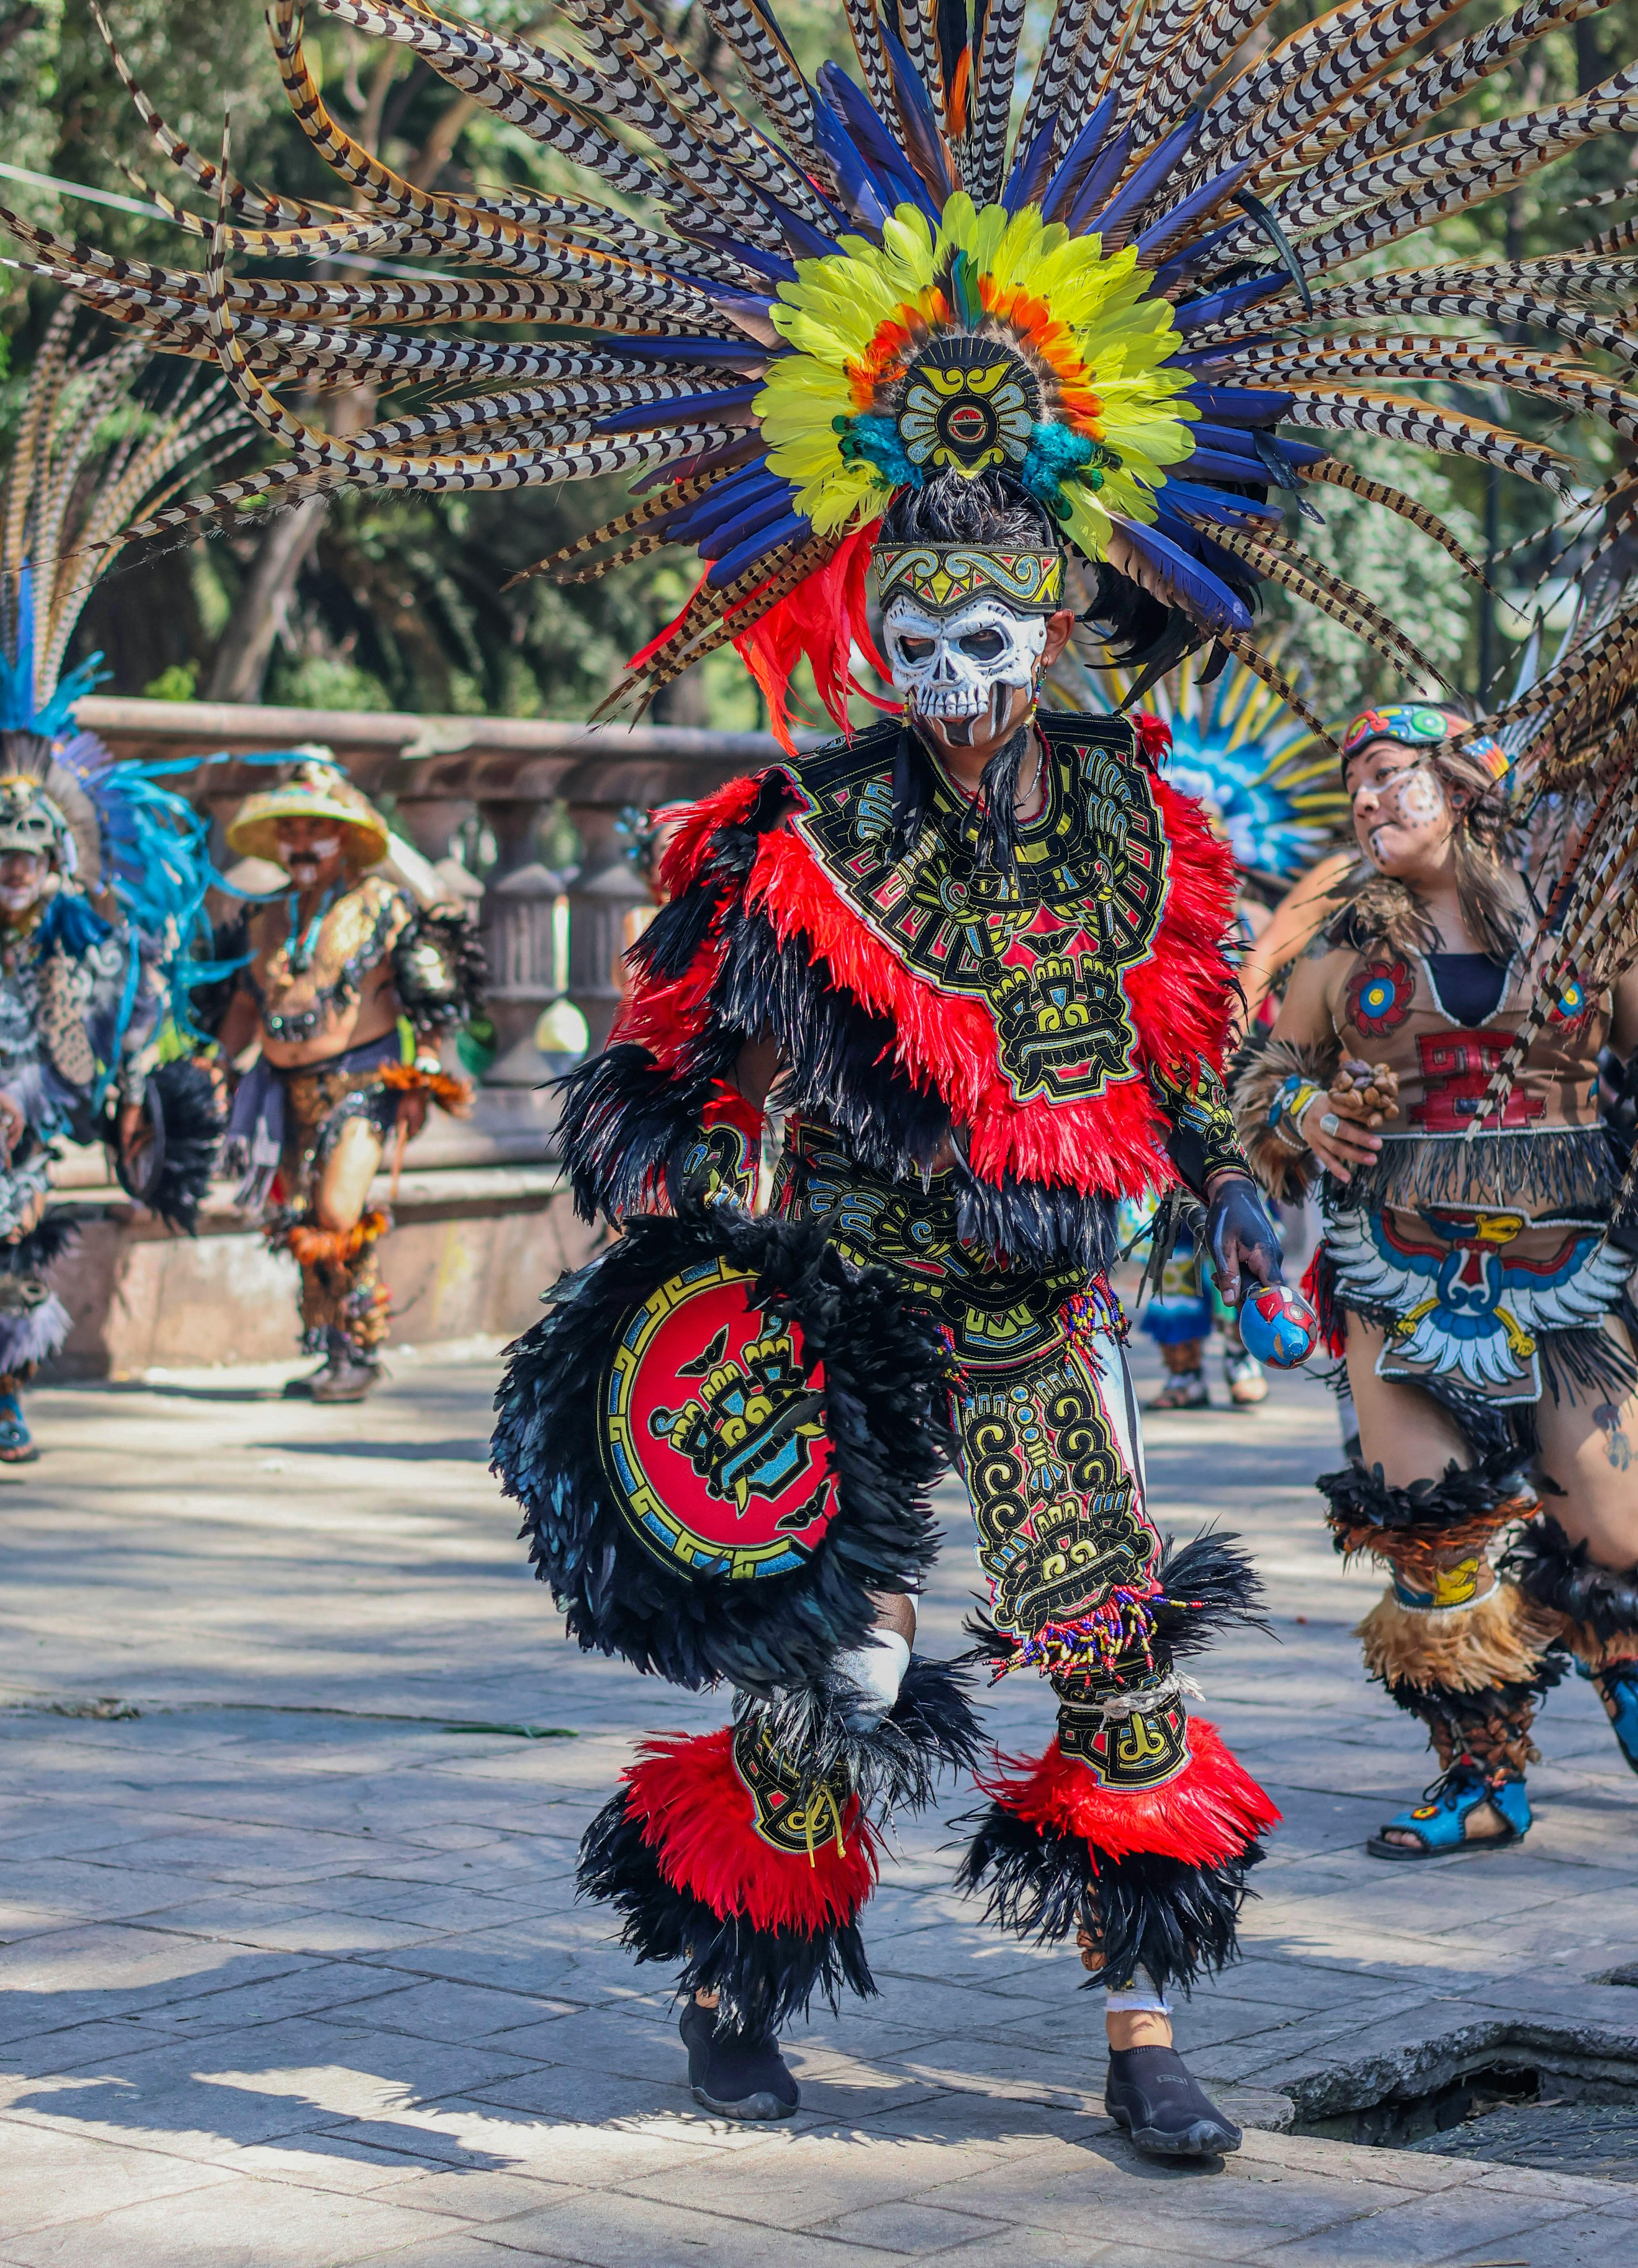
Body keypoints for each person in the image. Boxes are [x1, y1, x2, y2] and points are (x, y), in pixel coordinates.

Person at [498, 467, 1287, 2157]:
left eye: (978, 633)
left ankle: (1142, 2029)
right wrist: (698, 1179)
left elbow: (1176, 1046)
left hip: (1044, 1319)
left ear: (1051, 627)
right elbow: (699, 1062)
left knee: (1109, 1646)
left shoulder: (1134, 813)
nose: (939, 668)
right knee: (838, 1667)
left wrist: (1221, 1180)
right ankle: (734, 1977)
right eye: (907, 631)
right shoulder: (811, 826)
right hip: (852, 1308)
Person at [1236, 703, 1638, 1857]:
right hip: (1396, 1271)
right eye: (1355, 785)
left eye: (1391, 779)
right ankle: (1482, 1779)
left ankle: (1618, 1679)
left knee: (1615, 1529)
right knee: (1434, 1532)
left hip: (1567, 1274)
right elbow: (1256, 1080)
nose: (1368, 802)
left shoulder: (1586, 929)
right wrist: (1306, 1112)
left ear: (1462, 787)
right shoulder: (1340, 952)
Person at [0, 314, 237, 1459]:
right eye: (0, 860)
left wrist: (127, 1096)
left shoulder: (82, 939)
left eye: (26, 859)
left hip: (24, 1124)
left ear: (55, 859)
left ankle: (7, 1389)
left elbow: (115, 1026)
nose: (12, 876)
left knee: (10, 1229)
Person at [214, 760, 481, 1402]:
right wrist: (217, 1069)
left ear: (349, 838)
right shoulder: (265, 917)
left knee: (339, 1209)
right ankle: (333, 1347)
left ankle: (362, 1344)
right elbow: (246, 1008)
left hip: (366, 1080)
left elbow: (434, 988)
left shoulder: (383, 905)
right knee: (306, 1215)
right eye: (292, 831)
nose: (303, 844)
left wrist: (425, 1075)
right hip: (284, 1093)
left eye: (319, 829)